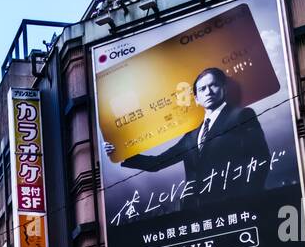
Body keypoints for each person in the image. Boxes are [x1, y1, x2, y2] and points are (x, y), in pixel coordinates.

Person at [110, 68, 270, 185]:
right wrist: (122, 153)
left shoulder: (242, 115)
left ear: (224, 88)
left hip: (235, 206)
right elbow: (157, 163)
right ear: (196, 99)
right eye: (202, 89)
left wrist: (248, 196)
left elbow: (261, 157)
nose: (208, 92)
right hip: (197, 212)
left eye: (213, 85)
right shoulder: (191, 137)